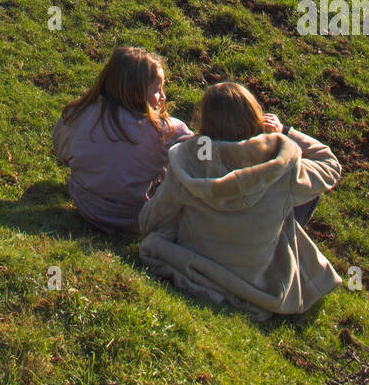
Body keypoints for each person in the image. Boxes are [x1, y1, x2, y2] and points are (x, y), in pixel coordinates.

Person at [138, 81, 342, 320]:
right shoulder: (283, 165)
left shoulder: (188, 161)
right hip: (256, 285)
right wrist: (285, 131)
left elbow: (151, 221)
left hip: (193, 263)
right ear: (255, 117)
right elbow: (330, 164)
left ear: (204, 121)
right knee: (299, 194)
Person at [52, 46, 193, 236]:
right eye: (157, 90)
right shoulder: (167, 130)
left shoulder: (81, 113)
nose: (163, 97)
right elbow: (198, 156)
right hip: (137, 217)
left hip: (87, 206)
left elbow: (61, 148)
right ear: (137, 93)